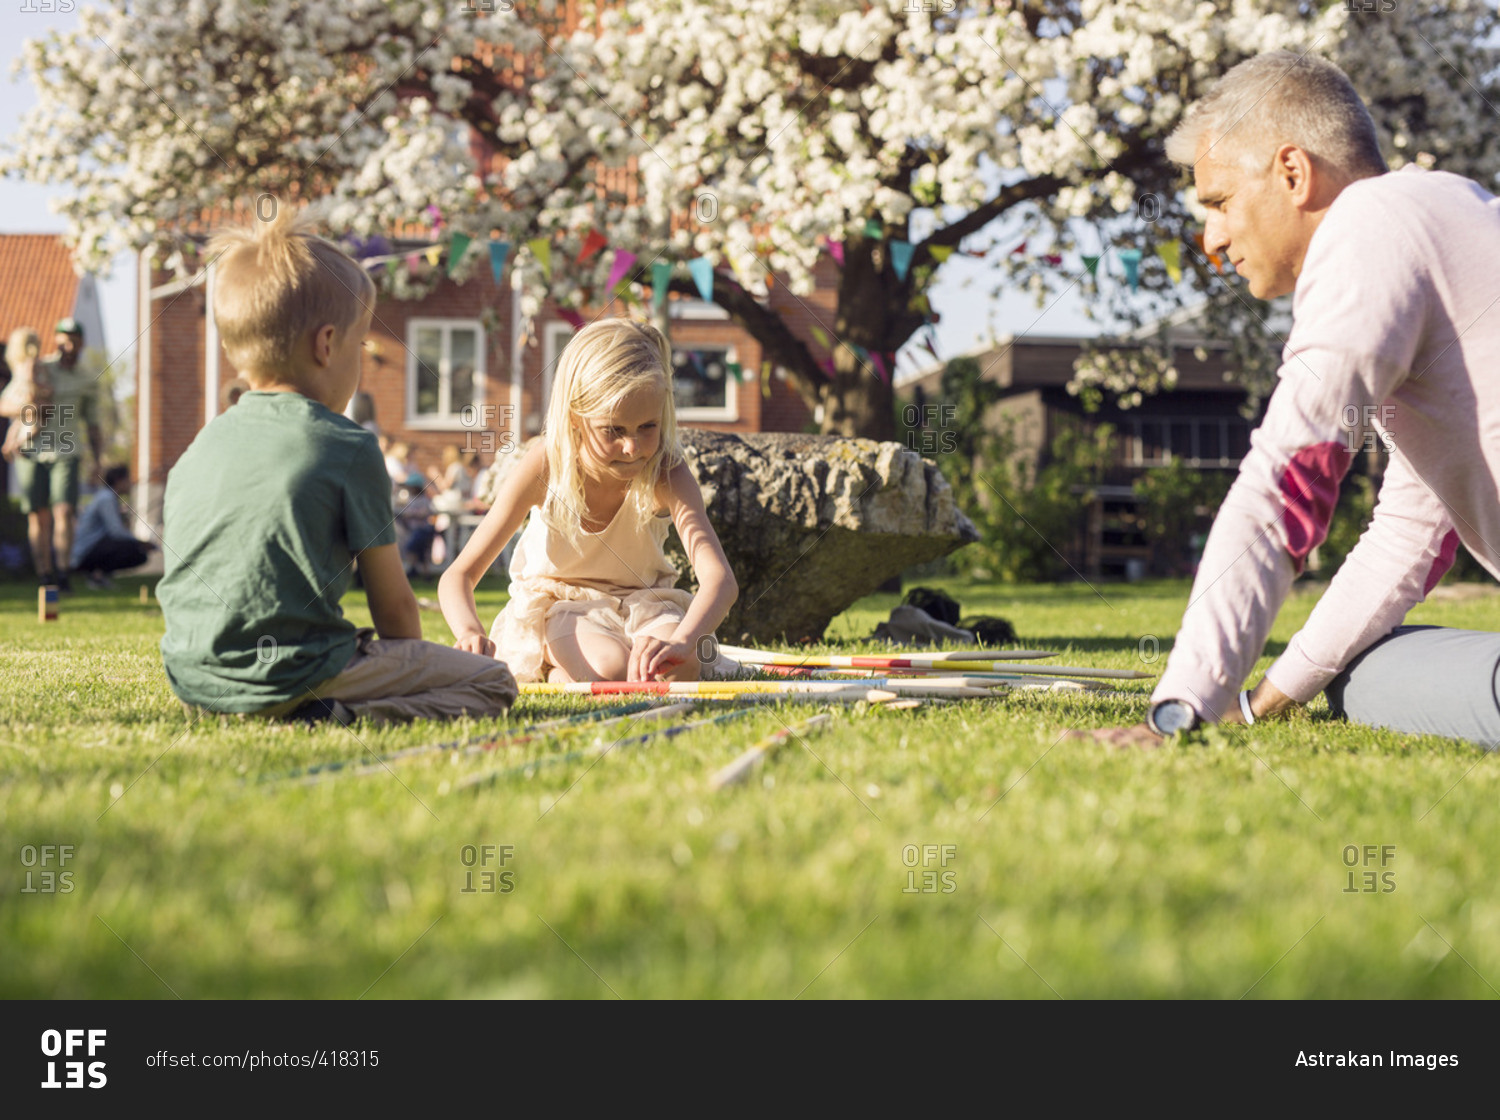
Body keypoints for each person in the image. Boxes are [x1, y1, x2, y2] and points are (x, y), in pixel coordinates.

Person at [1084, 51, 1500, 746]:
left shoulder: (1367, 226)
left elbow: (1288, 478)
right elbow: (1412, 535)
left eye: (1218, 202)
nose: (1210, 239)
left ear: (1292, 173)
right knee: (1362, 672)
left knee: (1379, 679)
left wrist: (1179, 712)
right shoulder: (1444, 207)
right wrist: (1253, 706)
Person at [156, 205, 517, 724]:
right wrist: (411, 662)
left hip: (194, 678)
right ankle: (340, 716)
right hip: (295, 672)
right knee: (493, 682)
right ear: (327, 344)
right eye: (362, 342)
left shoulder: (200, 447)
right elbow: (393, 611)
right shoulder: (346, 445)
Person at [438, 318, 738, 682]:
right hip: (565, 607)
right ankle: (553, 663)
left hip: (646, 607)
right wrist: (469, 631)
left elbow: (719, 580)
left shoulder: (666, 469)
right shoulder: (546, 464)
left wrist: (682, 641)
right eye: (614, 430)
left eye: (648, 426)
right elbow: (459, 574)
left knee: (677, 670)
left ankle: (564, 673)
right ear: (576, 418)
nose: (632, 447)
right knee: (610, 668)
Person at [0, 318, 104, 592]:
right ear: (56, 340)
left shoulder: (86, 378)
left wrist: (98, 459)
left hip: (66, 450)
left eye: (73, 339)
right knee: (38, 515)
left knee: (64, 511)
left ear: (81, 342)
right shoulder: (39, 366)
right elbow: (5, 404)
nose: (67, 345)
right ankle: (44, 575)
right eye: (62, 339)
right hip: (31, 452)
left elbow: (93, 423)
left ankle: (63, 571)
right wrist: (30, 410)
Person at [71, 465, 157, 588]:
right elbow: (116, 531)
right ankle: (96, 575)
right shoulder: (106, 498)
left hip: (90, 548)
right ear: (119, 480)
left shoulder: (107, 497)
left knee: (133, 547)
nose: (130, 483)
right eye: (128, 480)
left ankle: (98, 576)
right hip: (84, 552)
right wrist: (141, 542)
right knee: (135, 550)